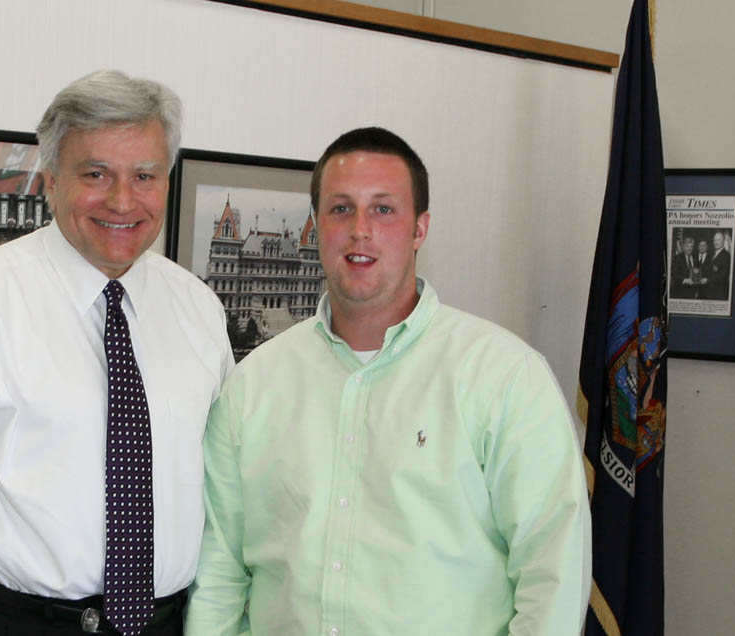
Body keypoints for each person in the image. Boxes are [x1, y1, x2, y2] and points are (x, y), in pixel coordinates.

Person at [0, 70, 234, 636]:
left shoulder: (200, 311)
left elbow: (222, 505)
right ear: (51, 178)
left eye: (144, 175)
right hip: (20, 623)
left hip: (168, 623)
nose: (122, 199)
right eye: (95, 173)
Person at [185, 127, 591, 635]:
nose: (360, 230)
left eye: (383, 209)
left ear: (420, 229)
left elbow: (551, 576)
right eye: (340, 209)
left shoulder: (506, 378)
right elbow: (219, 573)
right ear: (317, 225)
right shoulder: (252, 386)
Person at [706, 231, 732, 300]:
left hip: (719, 294)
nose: (715, 242)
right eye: (714, 240)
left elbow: (723, 276)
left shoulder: (727, 256)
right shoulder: (711, 254)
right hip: (708, 292)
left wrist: (707, 280)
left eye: (718, 240)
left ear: (723, 241)